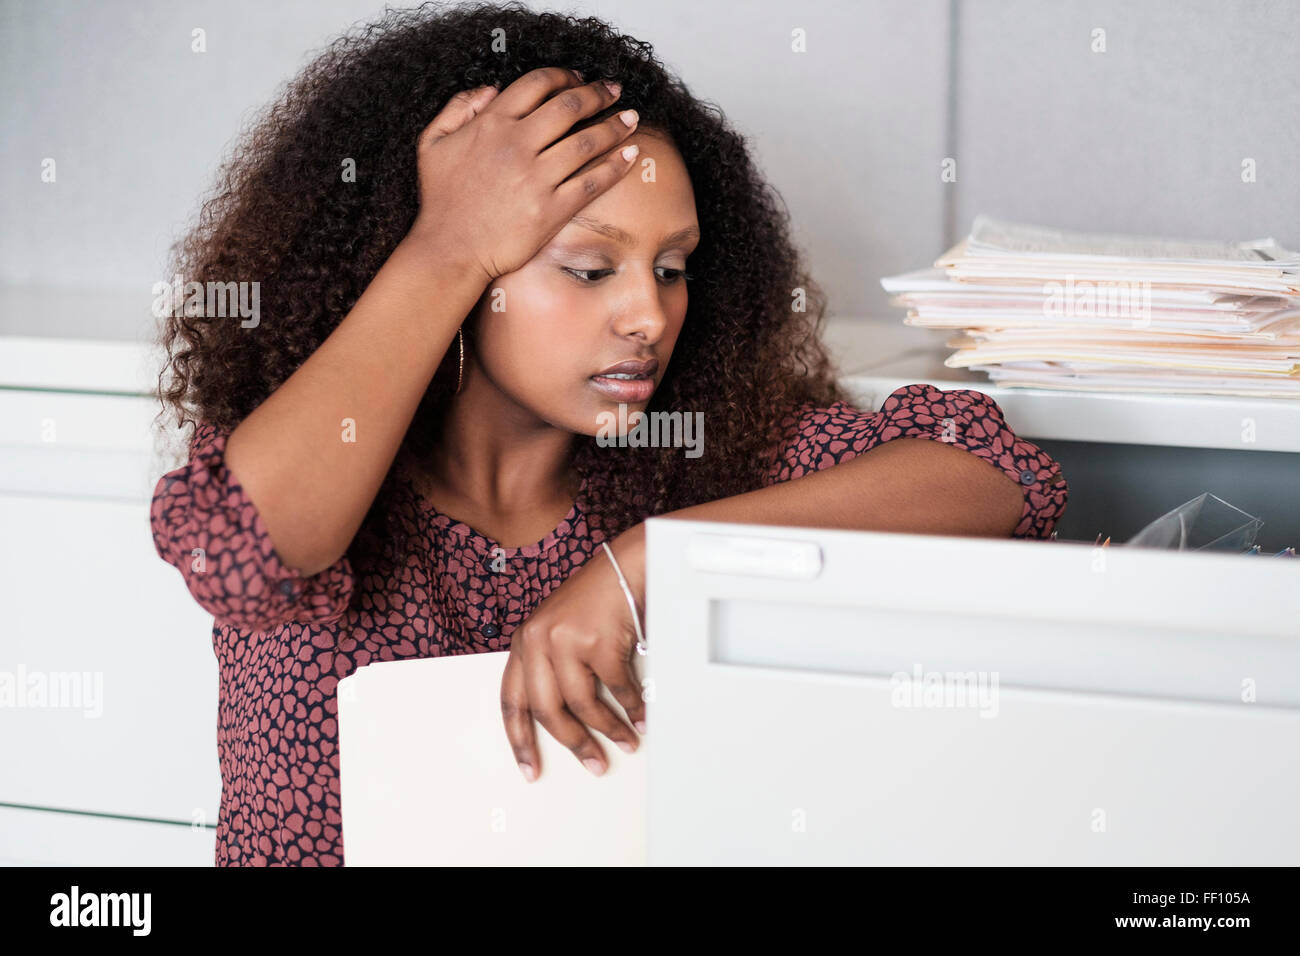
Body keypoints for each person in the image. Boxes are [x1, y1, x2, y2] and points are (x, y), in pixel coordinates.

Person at [151, 2, 1068, 866]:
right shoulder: (327, 472)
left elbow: (994, 477)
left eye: (672, 268)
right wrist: (450, 243)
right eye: (590, 269)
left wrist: (644, 566)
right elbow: (241, 551)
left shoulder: (688, 460)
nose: (648, 315)